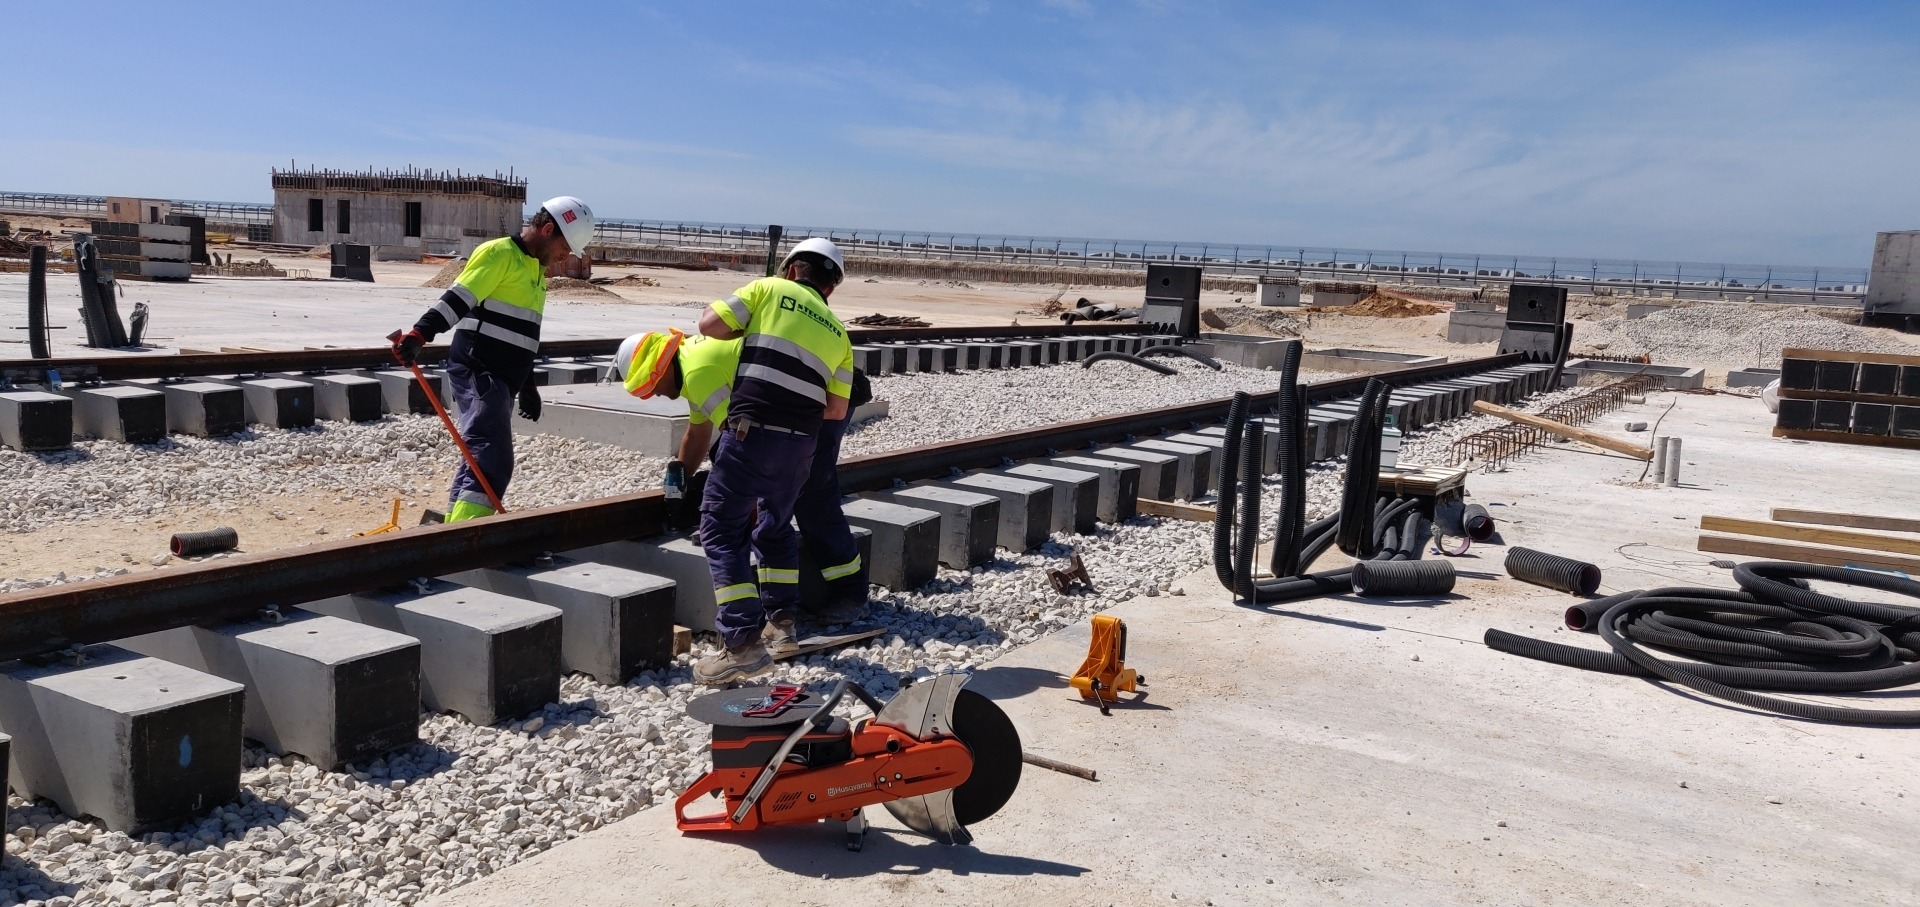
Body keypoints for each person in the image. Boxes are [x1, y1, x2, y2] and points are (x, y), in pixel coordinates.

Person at [610, 325, 871, 653]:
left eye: (651, 388)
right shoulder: (693, 361)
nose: (657, 395)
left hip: (824, 399)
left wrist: (729, 510)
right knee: (775, 503)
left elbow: (742, 446)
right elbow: (698, 434)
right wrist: (680, 478)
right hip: (798, 399)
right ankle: (782, 617)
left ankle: (850, 592)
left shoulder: (699, 371)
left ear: (657, 369)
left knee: (811, 495)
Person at [688, 237, 854, 683]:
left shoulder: (768, 289)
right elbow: (836, 410)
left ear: (792, 269)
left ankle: (742, 644)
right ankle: (781, 626)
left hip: (752, 432)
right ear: (831, 288)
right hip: (801, 447)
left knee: (722, 529)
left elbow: (709, 325)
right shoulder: (839, 333)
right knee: (776, 527)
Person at [392, 196, 595, 522]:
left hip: (502, 379)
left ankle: (455, 524)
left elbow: (523, 337)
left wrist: (527, 386)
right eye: (565, 247)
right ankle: (467, 534)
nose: (566, 257)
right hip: (479, 369)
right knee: (492, 452)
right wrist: (420, 334)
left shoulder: (536, 272)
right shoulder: (499, 254)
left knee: (481, 452)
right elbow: (458, 298)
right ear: (547, 230)